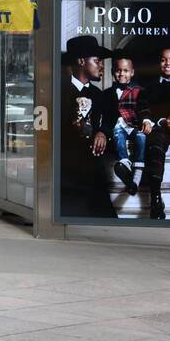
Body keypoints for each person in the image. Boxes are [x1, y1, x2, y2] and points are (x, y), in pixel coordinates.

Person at [57, 35, 116, 219]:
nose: (102, 65)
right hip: (66, 169)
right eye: (97, 60)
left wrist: (102, 132)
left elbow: (110, 117)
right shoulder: (59, 90)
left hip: (92, 171)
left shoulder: (99, 95)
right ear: (82, 61)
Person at [138, 47, 170, 221]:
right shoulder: (148, 88)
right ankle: (156, 198)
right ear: (159, 64)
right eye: (164, 60)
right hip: (160, 127)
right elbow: (144, 110)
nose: (168, 63)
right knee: (155, 147)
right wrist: (160, 121)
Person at [104, 55, 147, 196]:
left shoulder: (139, 91)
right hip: (117, 127)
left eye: (125, 71)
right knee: (117, 134)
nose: (121, 74)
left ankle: (137, 174)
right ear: (112, 71)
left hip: (133, 125)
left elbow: (144, 109)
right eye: (118, 70)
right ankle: (125, 164)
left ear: (132, 72)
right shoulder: (107, 94)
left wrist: (146, 120)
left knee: (141, 137)